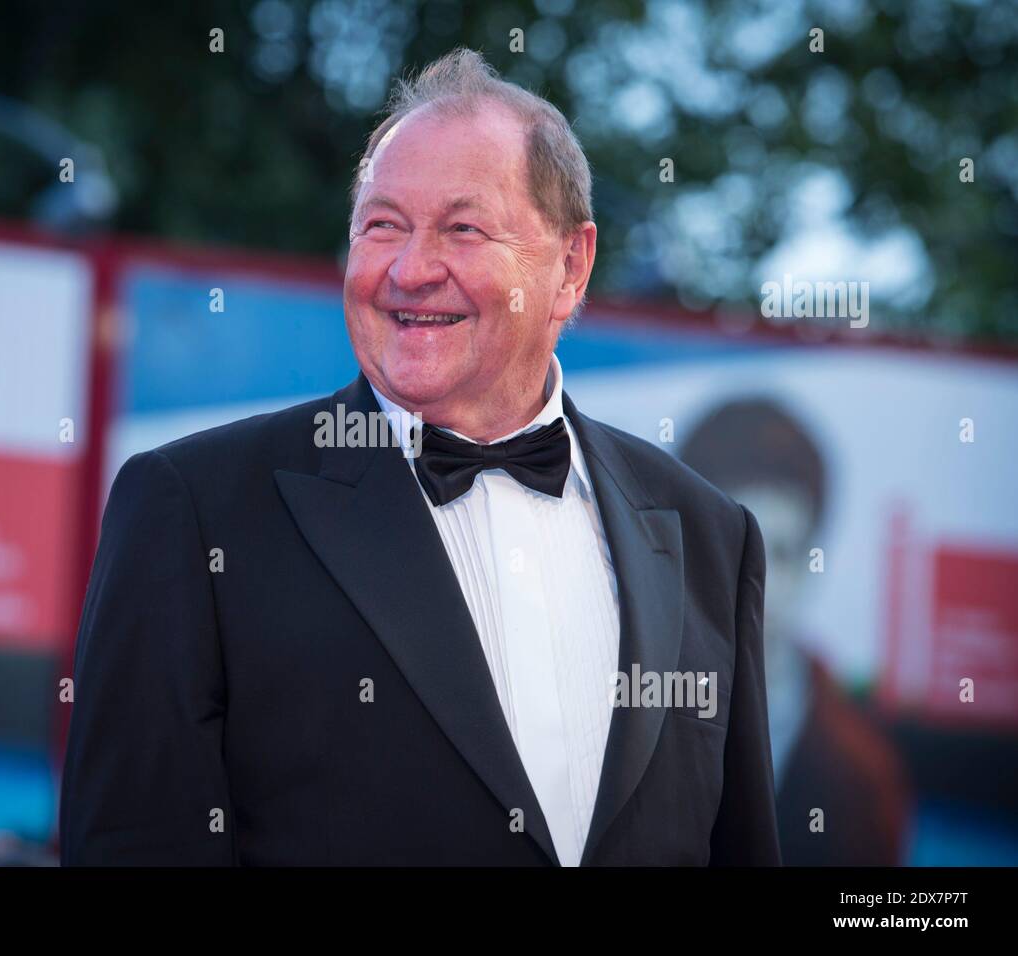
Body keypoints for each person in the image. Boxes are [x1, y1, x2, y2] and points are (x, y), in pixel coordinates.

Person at [61, 48, 779, 866]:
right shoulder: (193, 508)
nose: (409, 269)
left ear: (570, 267)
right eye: (382, 226)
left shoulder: (712, 537)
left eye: (462, 229)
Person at [678, 397, 910, 865]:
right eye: (734, 544)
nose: (756, 580)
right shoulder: (618, 710)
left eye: (780, 553)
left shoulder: (863, 775)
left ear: (811, 565)